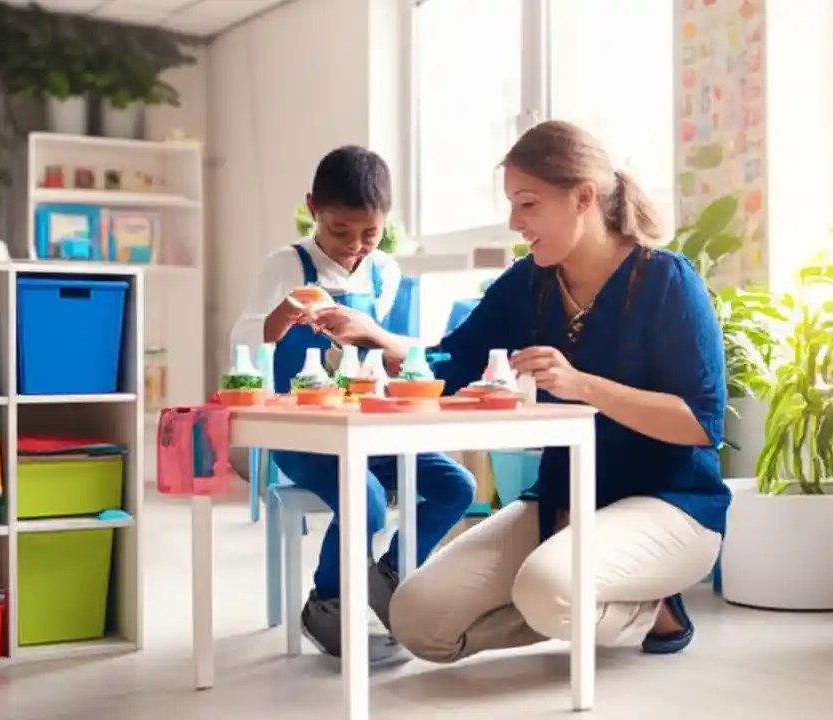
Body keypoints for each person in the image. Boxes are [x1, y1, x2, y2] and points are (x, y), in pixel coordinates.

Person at [308, 120, 729, 661]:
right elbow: (453, 363)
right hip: (562, 501)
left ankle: (655, 612)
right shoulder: (528, 283)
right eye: (512, 204)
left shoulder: (666, 280)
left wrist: (582, 386)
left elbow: (699, 422)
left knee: (548, 587)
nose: (514, 222)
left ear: (582, 198)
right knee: (418, 619)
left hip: (673, 505)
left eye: (527, 204)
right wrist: (377, 337)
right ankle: (561, 603)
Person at [228, 146, 476, 659]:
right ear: (312, 208)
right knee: (362, 498)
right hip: (302, 436)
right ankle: (328, 600)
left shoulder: (382, 271)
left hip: (369, 427)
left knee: (456, 485)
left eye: (370, 233)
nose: (354, 247)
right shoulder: (287, 264)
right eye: (340, 231)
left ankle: (392, 578)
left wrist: (371, 334)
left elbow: (397, 359)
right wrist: (284, 315)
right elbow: (245, 344)